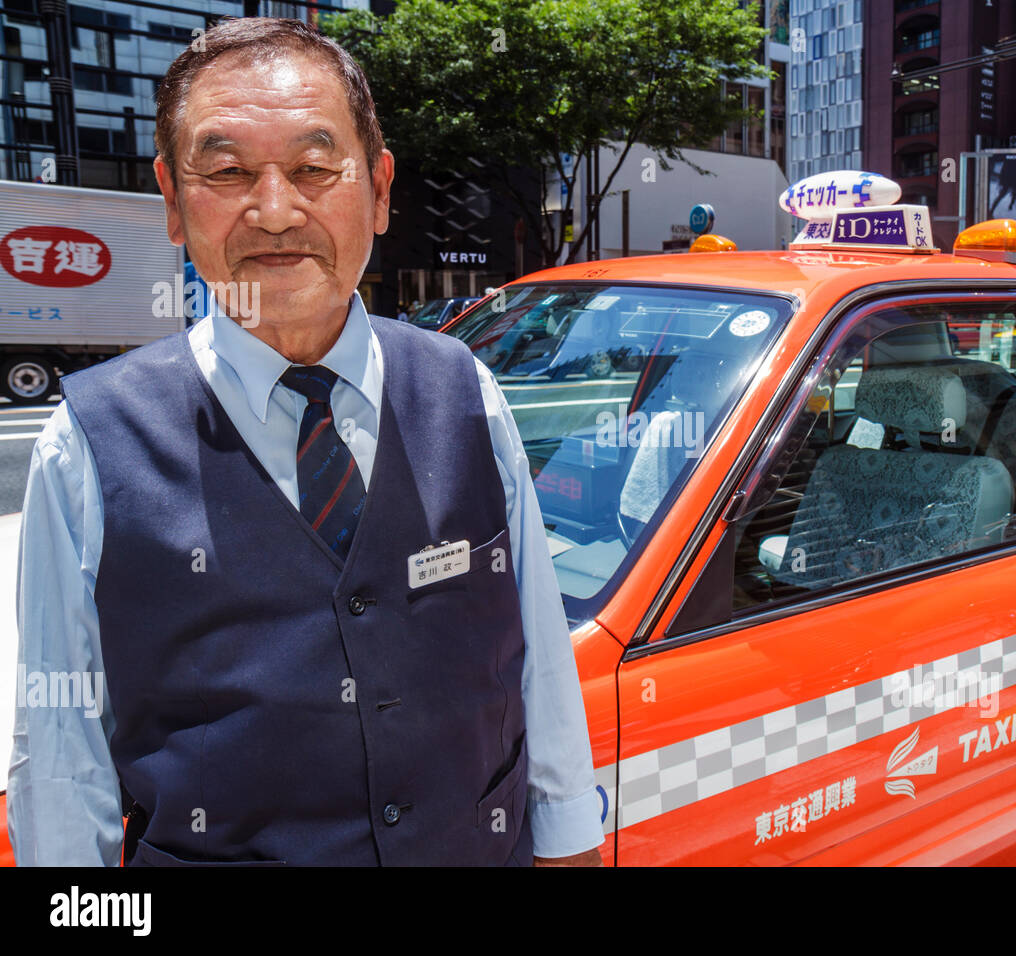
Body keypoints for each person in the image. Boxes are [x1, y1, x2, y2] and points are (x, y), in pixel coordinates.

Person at [7, 17, 603, 866]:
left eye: (316, 169)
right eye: (227, 172)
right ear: (173, 201)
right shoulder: (88, 444)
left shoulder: (462, 389)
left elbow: (536, 655)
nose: (276, 210)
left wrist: (571, 841)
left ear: (381, 188)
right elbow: (61, 763)